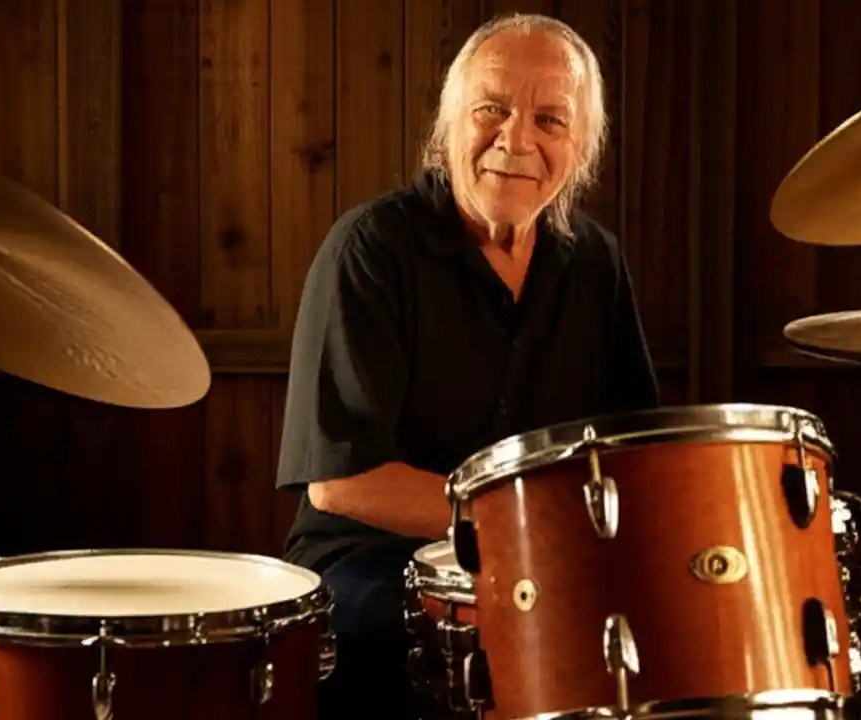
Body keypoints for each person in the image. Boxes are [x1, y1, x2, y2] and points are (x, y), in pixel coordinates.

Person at [274, 12, 659, 718]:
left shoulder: (595, 263)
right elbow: (340, 481)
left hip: (547, 558)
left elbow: (633, 452)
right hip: (371, 561)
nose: (516, 140)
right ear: (447, 122)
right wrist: (528, 534)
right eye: (492, 109)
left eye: (550, 120)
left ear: (582, 148)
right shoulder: (370, 249)